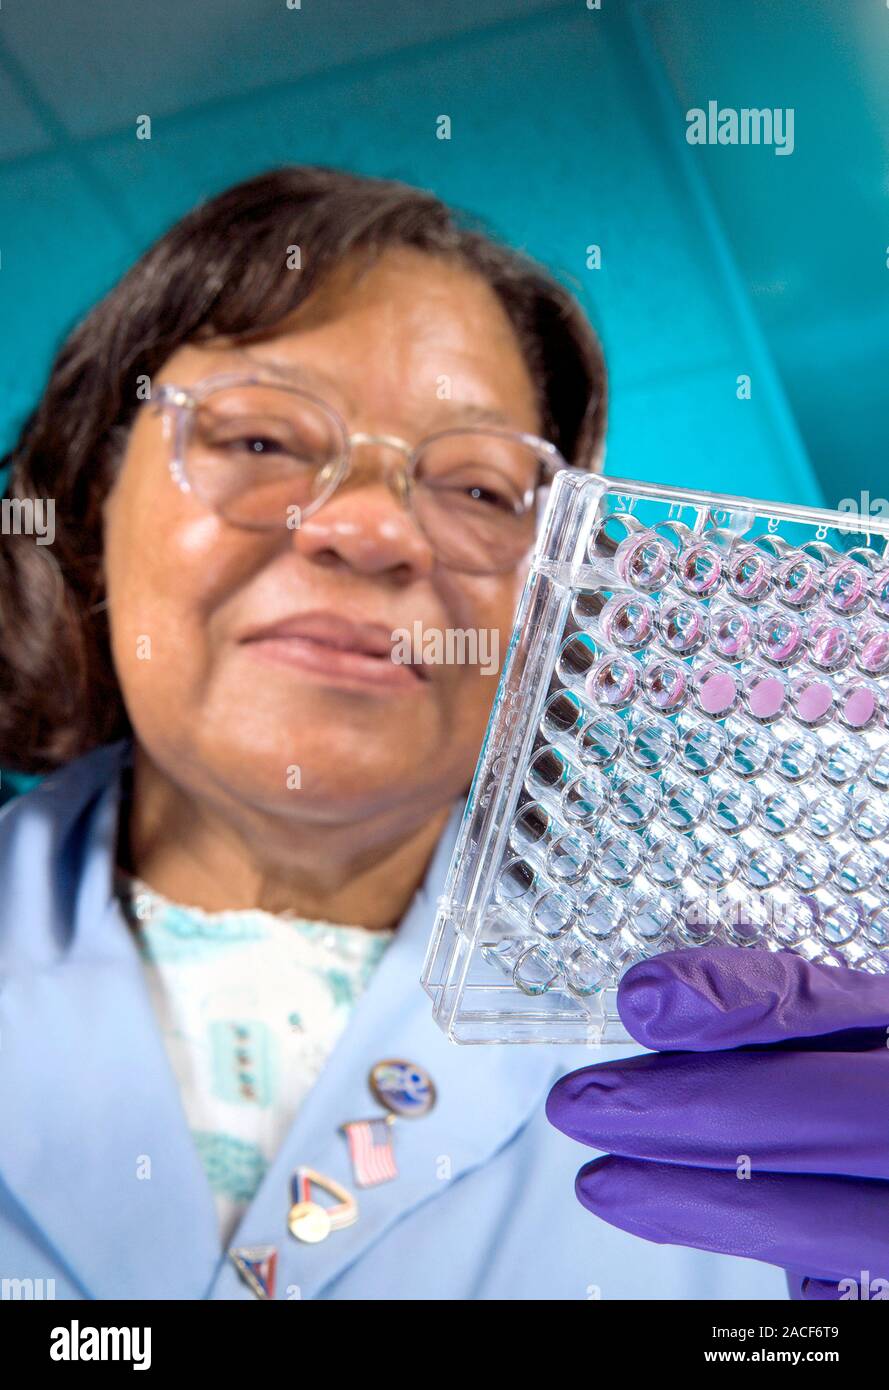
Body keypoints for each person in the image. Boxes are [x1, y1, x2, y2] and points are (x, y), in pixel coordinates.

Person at [0, 167, 870, 1302]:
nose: (371, 530)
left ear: (546, 598)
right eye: (260, 439)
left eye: (475, 489)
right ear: (91, 498)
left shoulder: (738, 1058)